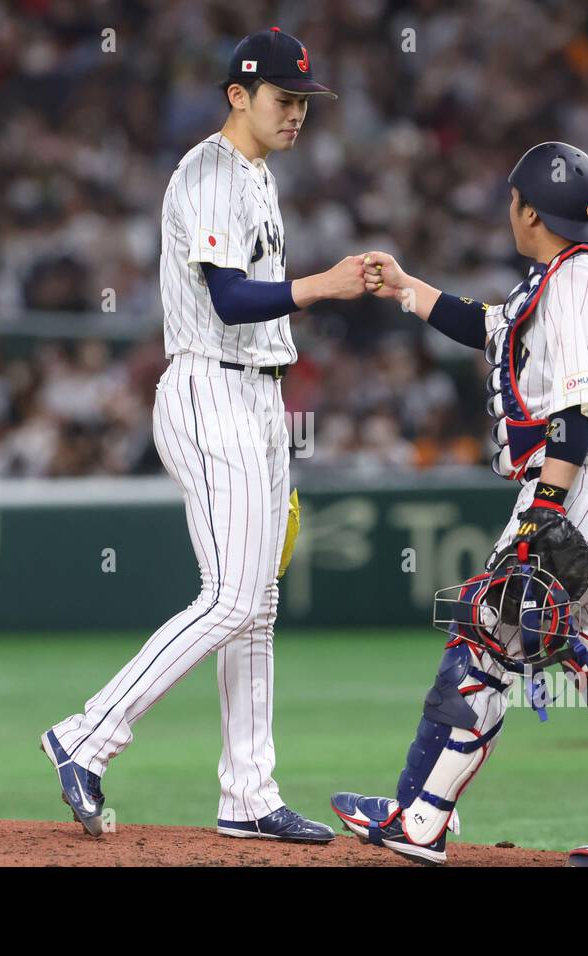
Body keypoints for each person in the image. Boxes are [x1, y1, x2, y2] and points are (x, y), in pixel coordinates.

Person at [42, 28, 366, 842]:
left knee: (256, 604)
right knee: (230, 598)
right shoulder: (212, 172)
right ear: (238, 96)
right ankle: (86, 735)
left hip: (258, 398)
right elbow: (228, 300)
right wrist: (320, 286)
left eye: (304, 101)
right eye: (284, 99)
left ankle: (248, 795)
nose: (297, 113)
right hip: (209, 387)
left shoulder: (255, 174)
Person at [332, 142, 588, 866]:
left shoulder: (579, 281)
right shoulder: (564, 276)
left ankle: (418, 819)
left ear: (528, 211)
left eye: (512, 199)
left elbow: (577, 411)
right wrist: (406, 286)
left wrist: (544, 510)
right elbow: (488, 326)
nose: (509, 209)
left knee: (484, 635)